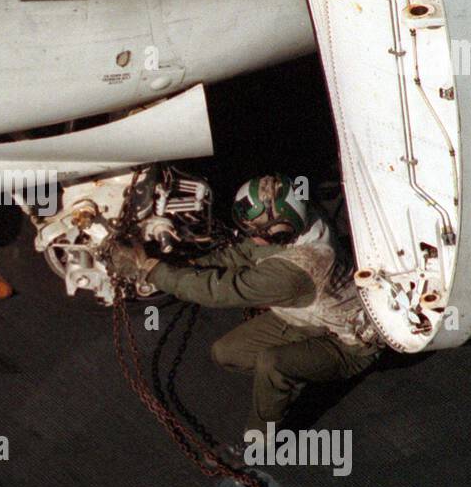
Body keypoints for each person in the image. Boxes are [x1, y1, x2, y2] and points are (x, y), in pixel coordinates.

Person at [108, 173, 382, 450]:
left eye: (254, 231)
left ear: (278, 232)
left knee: (272, 364)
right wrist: (189, 265)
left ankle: (261, 441)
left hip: (351, 344)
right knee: (226, 353)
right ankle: (297, 372)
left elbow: (217, 291)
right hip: (309, 317)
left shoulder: (294, 272)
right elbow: (242, 253)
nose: (248, 235)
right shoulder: (300, 219)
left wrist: (150, 269)